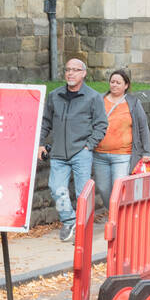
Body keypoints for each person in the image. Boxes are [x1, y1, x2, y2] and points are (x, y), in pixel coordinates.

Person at [38, 58, 107, 243]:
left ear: (84, 73)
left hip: (81, 152)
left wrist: (89, 145)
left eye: (75, 70)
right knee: (56, 188)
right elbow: (45, 122)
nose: (70, 73)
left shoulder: (93, 97)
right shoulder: (55, 96)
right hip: (59, 153)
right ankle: (68, 220)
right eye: (68, 69)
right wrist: (40, 143)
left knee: (82, 193)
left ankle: (83, 228)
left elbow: (101, 125)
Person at [91, 69, 150, 212]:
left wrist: (147, 151)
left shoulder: (134, 103)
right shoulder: (99, 100)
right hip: (99, 154)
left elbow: (143, 127)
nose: (114, 85)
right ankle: (113, 213)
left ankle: (117, 219)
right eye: (112, 82)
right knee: (104, 189)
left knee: (119, 189)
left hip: (123, 155)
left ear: (126, 85)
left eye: (118, 83)